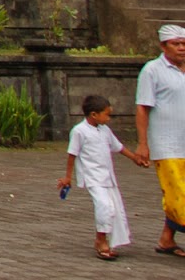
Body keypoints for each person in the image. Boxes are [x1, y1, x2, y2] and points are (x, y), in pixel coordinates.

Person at [60, 94, 146, 261]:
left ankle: (107, 238)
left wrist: (135, 158)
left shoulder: (105, 130)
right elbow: (72, 154)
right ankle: (100, 240)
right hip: (93, 177)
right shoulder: (79, 131)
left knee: (115, 209)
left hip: (108, 177)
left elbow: (118, 147)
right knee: (104, 206)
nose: (109, 118)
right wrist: (68, 177)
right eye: (106, 114)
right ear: (94, 114)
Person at [136, 24, 185, 256]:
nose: (181, 48)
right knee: (178, 194)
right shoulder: (152, 70)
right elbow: (143, 108)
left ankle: (167, 239)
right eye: (176, 44)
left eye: (184, 44)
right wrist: (143, 143)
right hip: (166, 144)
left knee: (178, 194)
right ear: (163, 46)